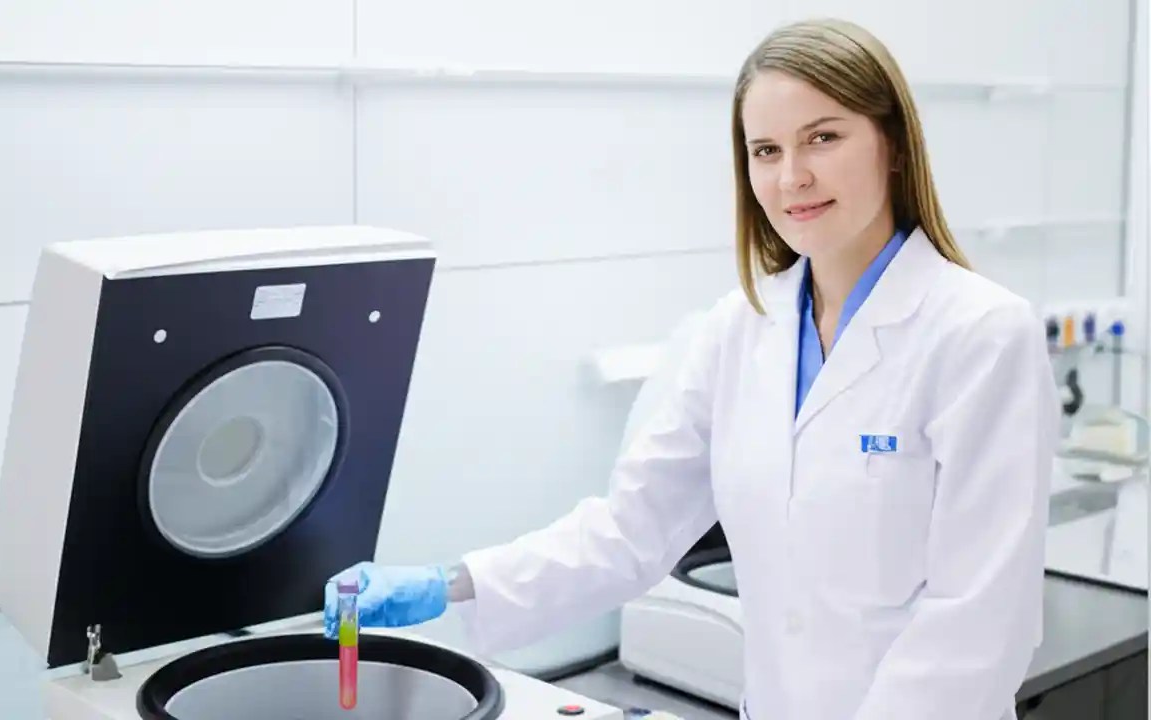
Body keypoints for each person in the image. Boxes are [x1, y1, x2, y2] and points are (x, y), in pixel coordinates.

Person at [323, 17, 1059, 720]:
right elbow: (631, 531)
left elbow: (979, 624)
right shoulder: (739, 330)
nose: (792, 176)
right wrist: (450, 583)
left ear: (893, 145)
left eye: (823, 138)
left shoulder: (981, 334)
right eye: (765, 150)